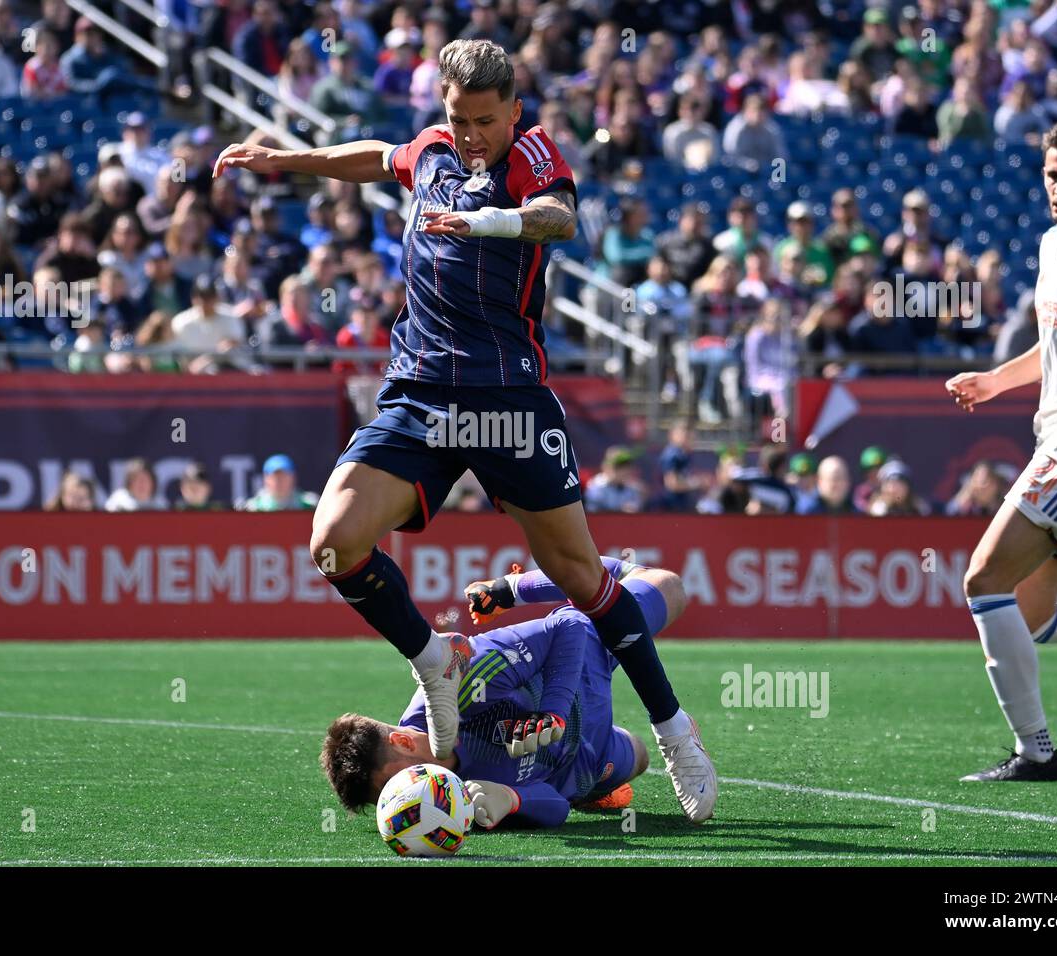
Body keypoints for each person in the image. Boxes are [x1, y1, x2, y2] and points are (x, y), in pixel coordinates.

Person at [214, 39, 710, 825]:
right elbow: (378, 156)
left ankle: (675, 731)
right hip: (418, 397)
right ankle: (433, 659)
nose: (471, 133)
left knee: (583, 578)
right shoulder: (433, 149)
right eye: (458, 118)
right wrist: (285, 158)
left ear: (513, 110)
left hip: (507, 398)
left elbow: (560, 220)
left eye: (485, 119)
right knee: (334, 540)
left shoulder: (532, 156)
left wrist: (488, 221)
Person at [945, 122, 1057, 784]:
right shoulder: (1052, 247)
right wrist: (996, 380)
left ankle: (1037, 753)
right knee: (1032, 616)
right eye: (1052, 173)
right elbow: (1054, 349)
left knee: (983, 580)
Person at [321, 560, 710, 829]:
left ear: (403, 740)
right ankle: (613, 769)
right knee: (637, 756)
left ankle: (517, 586)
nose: (413, 797)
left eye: (399, 785)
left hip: (584, 659)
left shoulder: (459, 682)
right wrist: (511, 800)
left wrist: (554, 714)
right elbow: (556, 808)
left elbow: (569, 627)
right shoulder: (456, 804)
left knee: (666, 585)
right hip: (579, 764)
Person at [238, 454, 318, 511]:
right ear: (266, 479)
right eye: (275, 477)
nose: (279, 481)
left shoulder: (310, 505)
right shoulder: (252, 508)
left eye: (284, 476)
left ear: (293, 478)